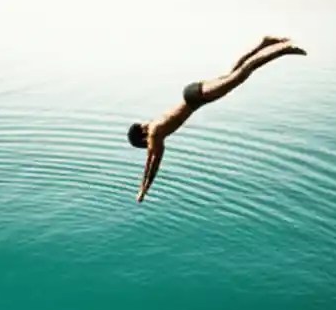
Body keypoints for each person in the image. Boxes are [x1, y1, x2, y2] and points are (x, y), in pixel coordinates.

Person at [127, 36, 306, 203]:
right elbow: (150, 159)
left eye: (144, 145)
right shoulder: (153, 124)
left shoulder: (154, 134)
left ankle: (283, 49)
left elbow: (154, 163)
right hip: (191, 92)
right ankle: (264, 43)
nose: (148, 147)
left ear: (142, 138)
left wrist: (144, 190)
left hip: (197, 97)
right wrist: (142, 187)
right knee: (232, 73)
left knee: (242, 73)